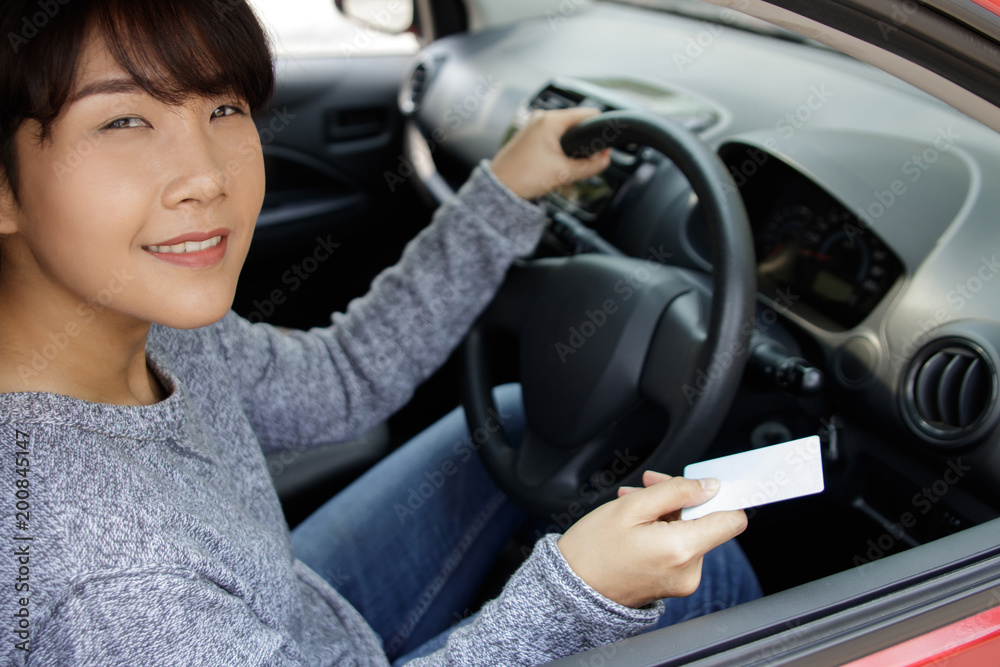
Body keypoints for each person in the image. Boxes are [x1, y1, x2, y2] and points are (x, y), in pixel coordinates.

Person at [0, 1, 760, 665]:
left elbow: (339, 381)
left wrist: (503, 191)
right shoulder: (110, 592)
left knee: (520, 420)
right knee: (706, 582)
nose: (208, 175)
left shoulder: (145, 326)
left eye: (224, 108)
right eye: (123, 120)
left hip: (297, 613)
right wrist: (577, 597)